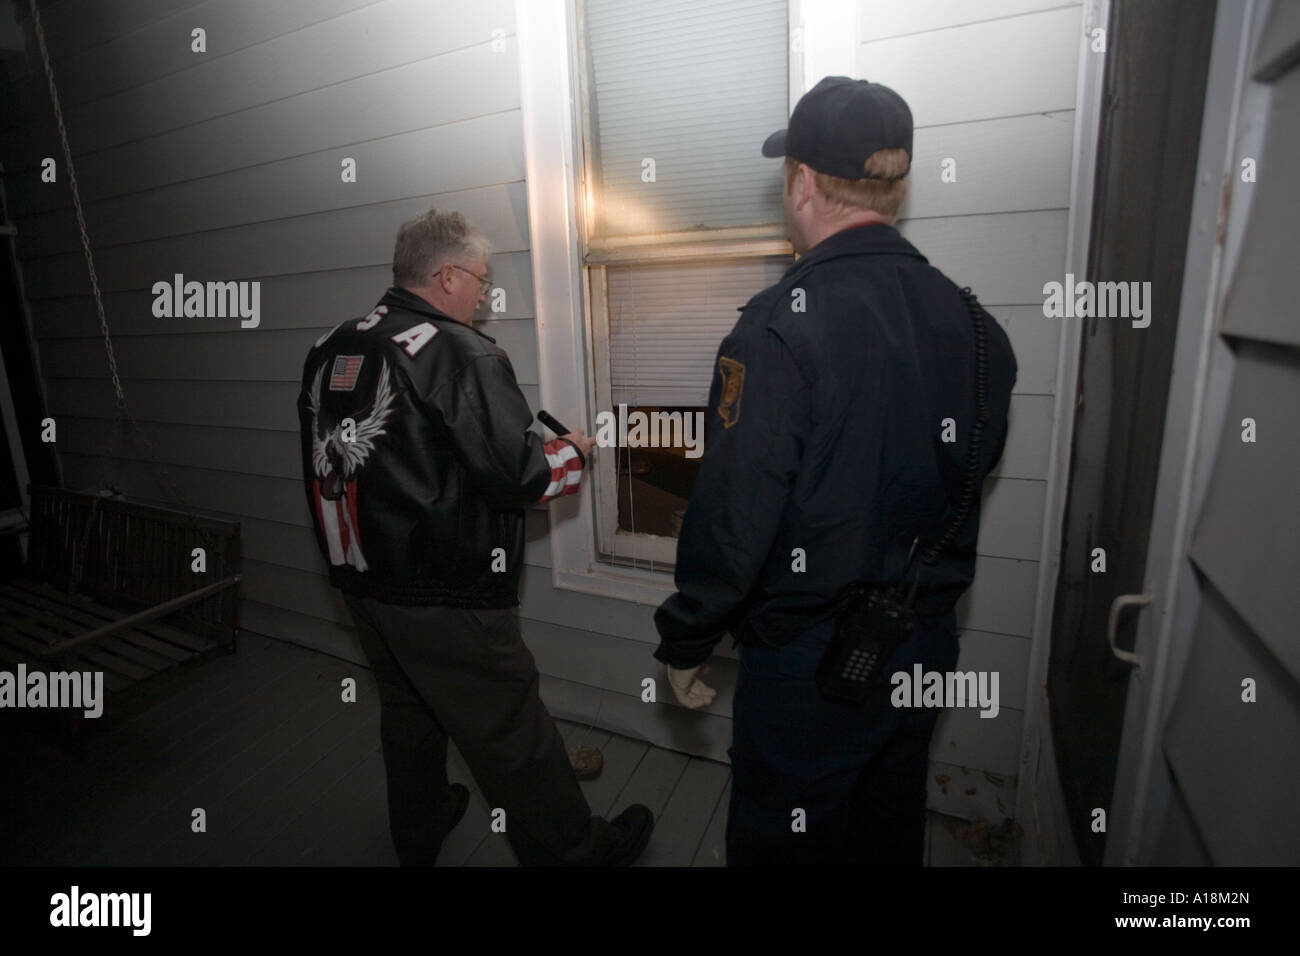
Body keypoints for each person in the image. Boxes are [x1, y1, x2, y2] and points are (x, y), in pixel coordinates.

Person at [653, 77, 1018, 865]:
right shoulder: (978, 326)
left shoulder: (779, 329)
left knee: (787, 839)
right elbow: (967, 471)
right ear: (896, 185)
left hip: (810, 665)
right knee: (888, 826)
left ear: (804, 181)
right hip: (922, 642)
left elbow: (733, 512)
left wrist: (688, 636)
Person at [297, 208, 653, 866]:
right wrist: (572, 451)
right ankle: (576, 852)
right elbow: (524, 480)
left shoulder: (333, 345)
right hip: (444, 593)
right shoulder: (459, 352)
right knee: (509, 729)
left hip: (360, 579)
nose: (486, 295)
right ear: (449, 274)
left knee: (409, 706)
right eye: (482, 281)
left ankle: (421, 825)